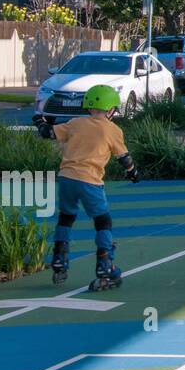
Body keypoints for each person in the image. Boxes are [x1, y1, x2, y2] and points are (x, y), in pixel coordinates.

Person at [50, 84, 140, 291]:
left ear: (89, 106)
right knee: (102, 221)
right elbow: (124, 158)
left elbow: (50, 133)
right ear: (111, 110)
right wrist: (133, 173)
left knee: (66, 217)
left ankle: (59, 259)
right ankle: (104, 264)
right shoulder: (112, 129)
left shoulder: (75, 123)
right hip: (90, 180)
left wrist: (40, 122)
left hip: (66, 178)